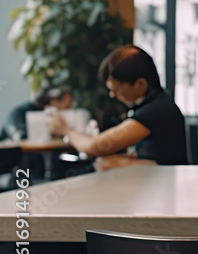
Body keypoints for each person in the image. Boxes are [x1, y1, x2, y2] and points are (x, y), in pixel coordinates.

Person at [49, 45, 188, 171]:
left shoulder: (155, 110)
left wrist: (65, 130)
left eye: (116, 90)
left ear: (140, 83)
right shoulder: (157, 104)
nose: (112, 95)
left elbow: (94, 147)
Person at [0, 87, 74, 142]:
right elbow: (20, 136)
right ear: (53, 101)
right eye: (67, 105)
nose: (68, 109)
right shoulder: (25, 111)